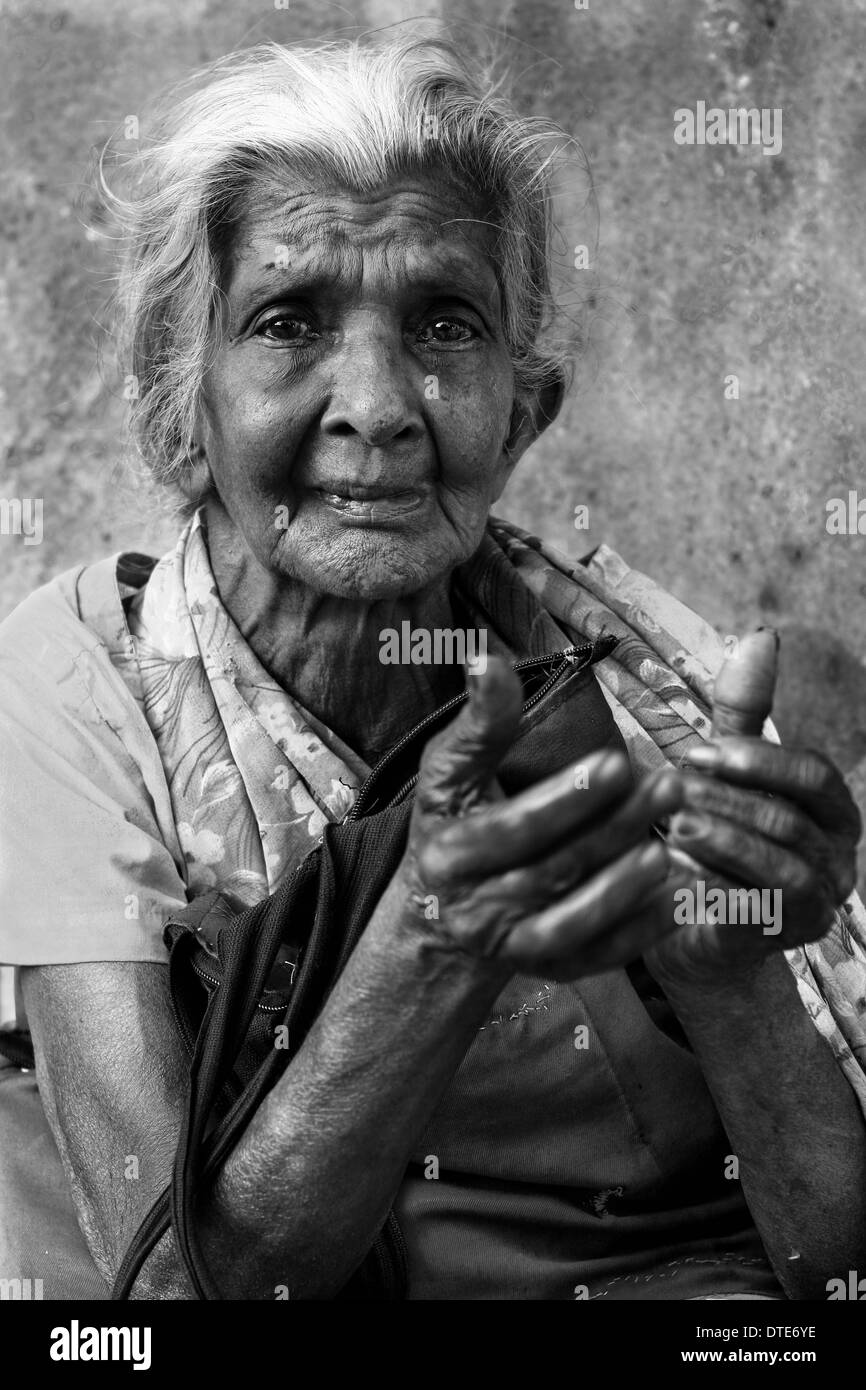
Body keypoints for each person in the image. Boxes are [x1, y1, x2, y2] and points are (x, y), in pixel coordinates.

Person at [1, 35, 865, 1302]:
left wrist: (723, 970)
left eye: (444, 324)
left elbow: (837, 1275)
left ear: (521, 412)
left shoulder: (638, 694)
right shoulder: (79, 683)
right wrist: (427, 937)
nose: (379, 405)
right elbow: (167, 1295)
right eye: (289, 320)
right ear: (176, 411)